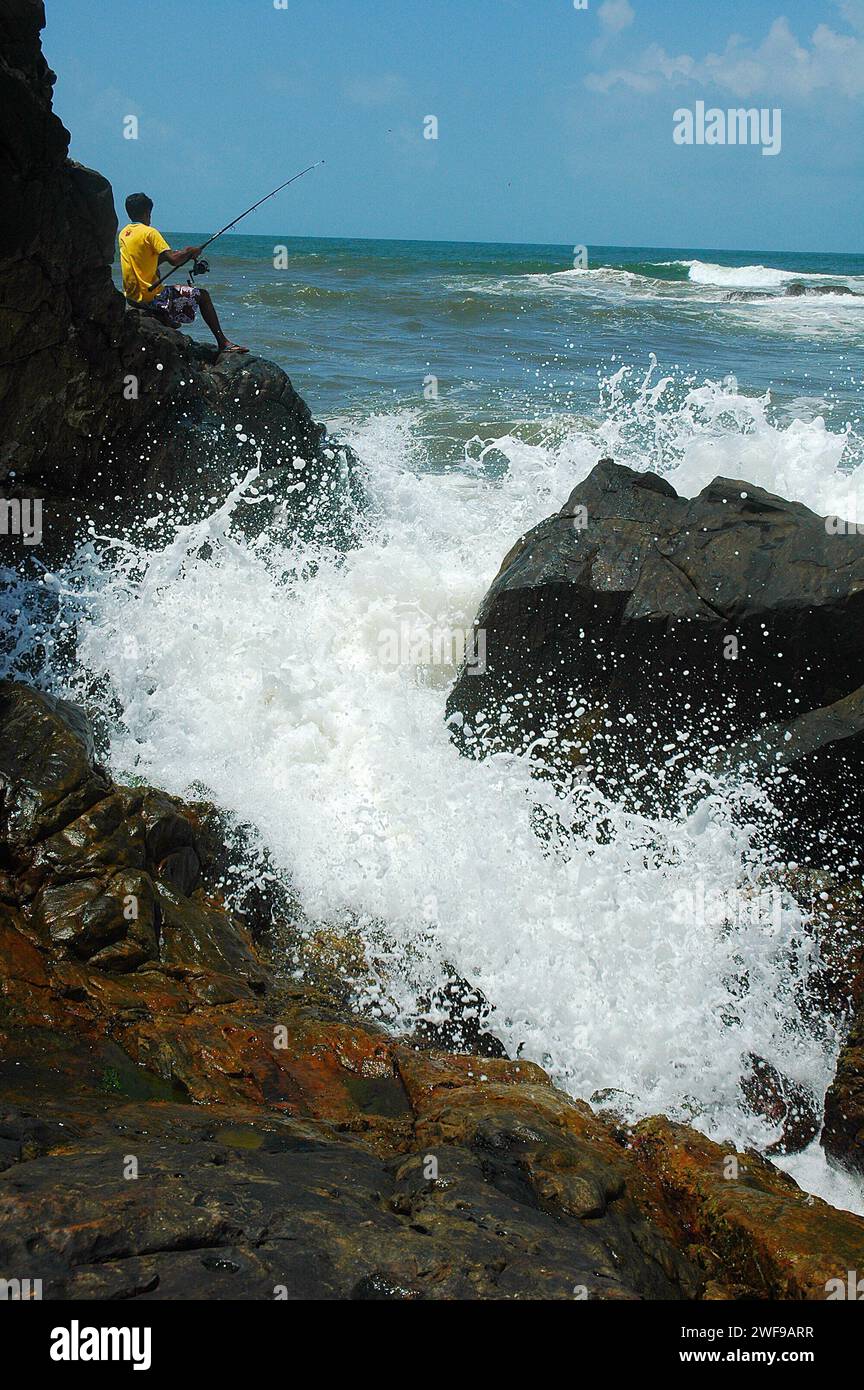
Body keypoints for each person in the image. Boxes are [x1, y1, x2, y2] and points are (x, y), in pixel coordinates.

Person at [119, 193, 247, 355]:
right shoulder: (150, 233)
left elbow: (153, 260)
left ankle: (165, 318)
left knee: (158, 275)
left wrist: (180, 254)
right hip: (150, 298)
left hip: (132, 297)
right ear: (147, 213)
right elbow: (174, 260)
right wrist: (190, 251)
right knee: (203, 296)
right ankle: (223, 343)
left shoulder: (124, 233)